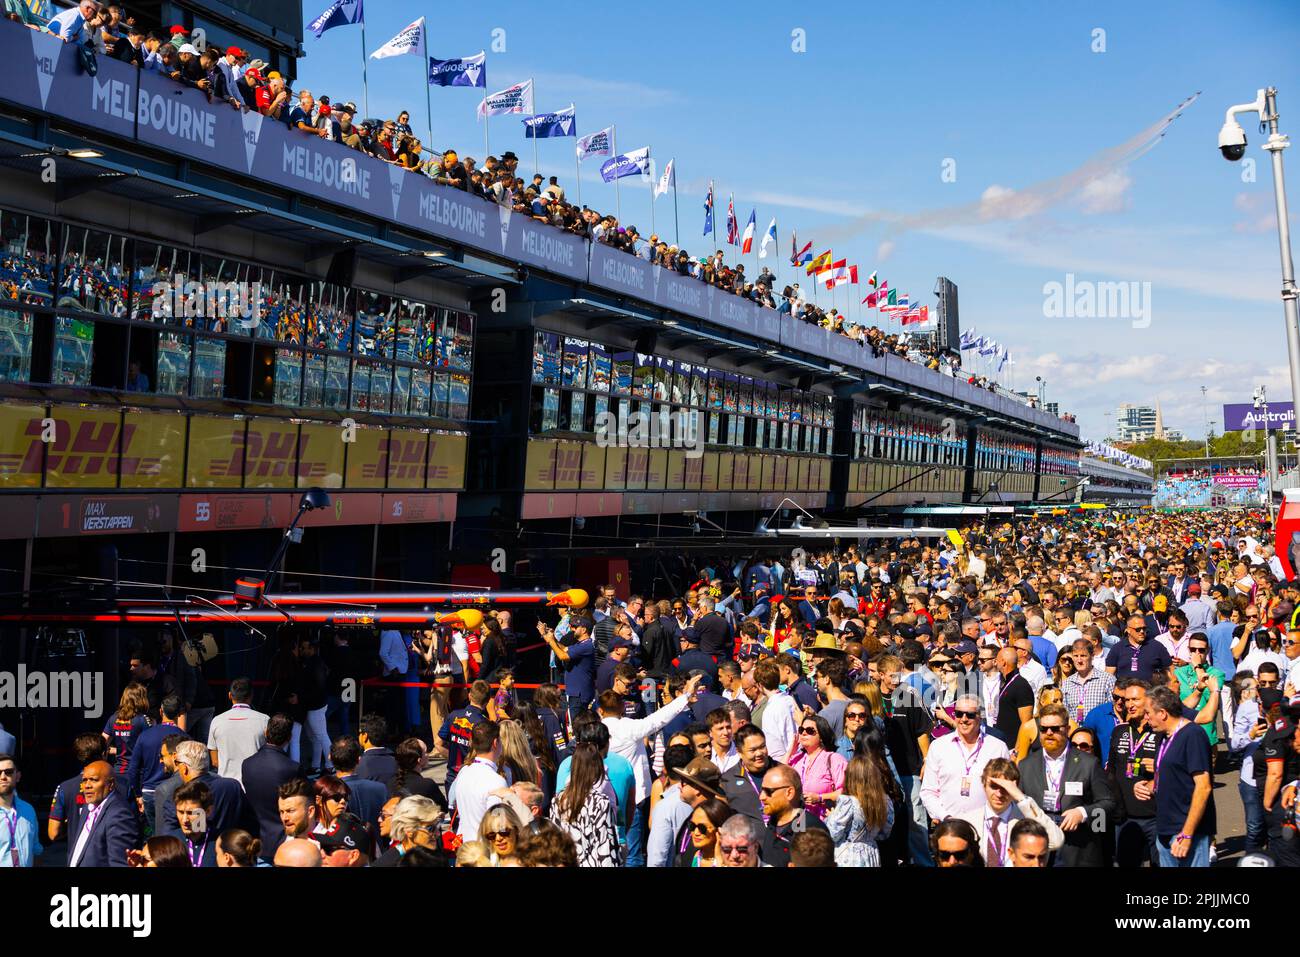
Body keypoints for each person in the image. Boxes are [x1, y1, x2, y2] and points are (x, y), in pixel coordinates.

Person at [595, 672, 703, 867]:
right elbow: (658, 719)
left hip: (603, 799)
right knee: (633, 854)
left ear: (600, 711)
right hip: (630, 801)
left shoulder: (596, 732)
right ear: (622, 708)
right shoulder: (630, 728)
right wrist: (685, 696)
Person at [1017, 702, 1115, 866]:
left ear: (1067, 730)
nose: (1049, 733)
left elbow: (1108, 803)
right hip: (1040, 851)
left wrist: (1082, 813)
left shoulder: (1088, 763)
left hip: (1077, 850)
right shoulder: (1026, 765)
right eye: (1043, 729)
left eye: (1055, 729)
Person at [1144, 685, 1215, 867]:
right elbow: (1173, 776)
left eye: (1148, 713)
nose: (1145, 718)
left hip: (1187, 830)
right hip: (1165, 827)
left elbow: (1203, 786)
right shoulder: (1163, 736)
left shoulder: (1193, 735)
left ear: (1162, 713)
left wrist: (1187, 833)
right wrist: (1149, 786)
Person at [954, 758, 1064, 866]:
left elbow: (1056, 841)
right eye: (994, 786)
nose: (999, 794)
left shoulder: (1026, 819)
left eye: (1005, 788)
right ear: (984, 785)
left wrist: (1020, 797)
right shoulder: (968, 821)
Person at [878, 654, 934, 865]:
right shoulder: (872, 695)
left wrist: (927, 759)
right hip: (882, 771)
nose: (896, 680)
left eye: (899, 676)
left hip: (909, 767)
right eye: (891, 676)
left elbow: (922, 732)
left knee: (916, 820)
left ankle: (923, 863)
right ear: (881, 675)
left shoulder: (909, 694)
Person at [920, 694, 1010, 823]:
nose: (964, 719)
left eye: (970, 715)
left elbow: (1006, 788)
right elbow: (928, 790)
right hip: (948, 827)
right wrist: (944, 816)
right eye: (959, 714)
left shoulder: (998, 747)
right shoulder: (938, 746)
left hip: (986, 827)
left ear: (980, 716)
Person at [1107, 679, 1163, 867]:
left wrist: (1158, 767)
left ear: (1149, 700)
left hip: (1156, 816)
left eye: (1135, 700)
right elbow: (1112, 772)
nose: (1129, 704)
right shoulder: (1119, 731)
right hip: (1125, 818)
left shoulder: (1161, 732)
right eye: (1127, 700)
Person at [548, 743, 622, 866]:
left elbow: (555, 843)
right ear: (597, 768)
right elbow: (606, 848)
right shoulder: (600, 802)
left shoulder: (557, 800)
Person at [239, 714, 299, 859]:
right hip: (282, 841)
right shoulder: (292, 768)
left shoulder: (247, 764)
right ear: (289, 738)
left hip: (254, 838)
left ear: (266, 732)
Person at [825, 752, 895, 866]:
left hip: (848, 856)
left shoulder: (848, 802)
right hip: (871, 854)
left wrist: (831, 816)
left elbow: (832, 833)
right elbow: (884, 834)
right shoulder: (885, 801)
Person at [67, 760, 138, 867]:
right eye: (84, 780)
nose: (87, 785)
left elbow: (119, 863)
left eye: (94, 780)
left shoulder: (120, 814)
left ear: (111, 784)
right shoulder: (89, 806)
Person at [759, 763, 830, 867]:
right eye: (762, 790)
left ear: (789, 793)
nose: (762, 797)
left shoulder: (811, 829)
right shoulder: (772, 824)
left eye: (768, 791)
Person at [452, 721, 508, 842]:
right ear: (495, 743)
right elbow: (498, 824)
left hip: (466, 849)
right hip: (484, 852)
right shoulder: (496, 781)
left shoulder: (463, 772)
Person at [206, 676, 268, 783]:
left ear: (230, 695)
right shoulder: (264, 720)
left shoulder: (217, 720)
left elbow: (215, 762)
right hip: (255, 783)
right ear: (251, 696)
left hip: (226, 784)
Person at [787, 714, 848, 821]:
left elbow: (846, 792)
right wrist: (790, 751)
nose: (804, 733)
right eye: (801, 730)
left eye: (810, 731)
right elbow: (777, 779)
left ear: (821, 736)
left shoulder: (834, 759)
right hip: (798, 822)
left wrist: (820, 798)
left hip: (823, 823)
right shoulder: (796, 759)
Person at [373, 795, 447, 867]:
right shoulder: (388, 864)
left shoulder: (437, 856)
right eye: (430, 828)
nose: (437, 833)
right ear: (409, 830)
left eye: (438, 825)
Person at [991, 646, 1034, 746]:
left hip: (1013, 745)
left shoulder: (1020, 685)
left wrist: (1018, 750)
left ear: (1003, 662)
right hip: (1003, 743)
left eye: (996, 660)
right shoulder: (1007, 682)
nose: (995, 663)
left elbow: (1026, 723)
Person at [0, 754, 38, 867]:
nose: (3, 777)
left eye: (9, 772)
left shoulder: (29, 810)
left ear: (18, 776)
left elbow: (36, 850)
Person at [172, 779, 217, 867]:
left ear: (208, 811)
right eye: (180, 812)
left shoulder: (221, 842)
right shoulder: (171, 841)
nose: (185, 820)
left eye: (191, 813)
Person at [678, 797, 732, 867]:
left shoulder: (733, 861)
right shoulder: (692, 856)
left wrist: (720, 861)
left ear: (719, 830)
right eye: (692, 826)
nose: (696, 833)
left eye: (702, 828)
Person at [355, 714, 398, 783]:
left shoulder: (359, 765)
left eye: (360, 733)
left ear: (365, 736)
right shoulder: (397, 761)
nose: (358, 735)